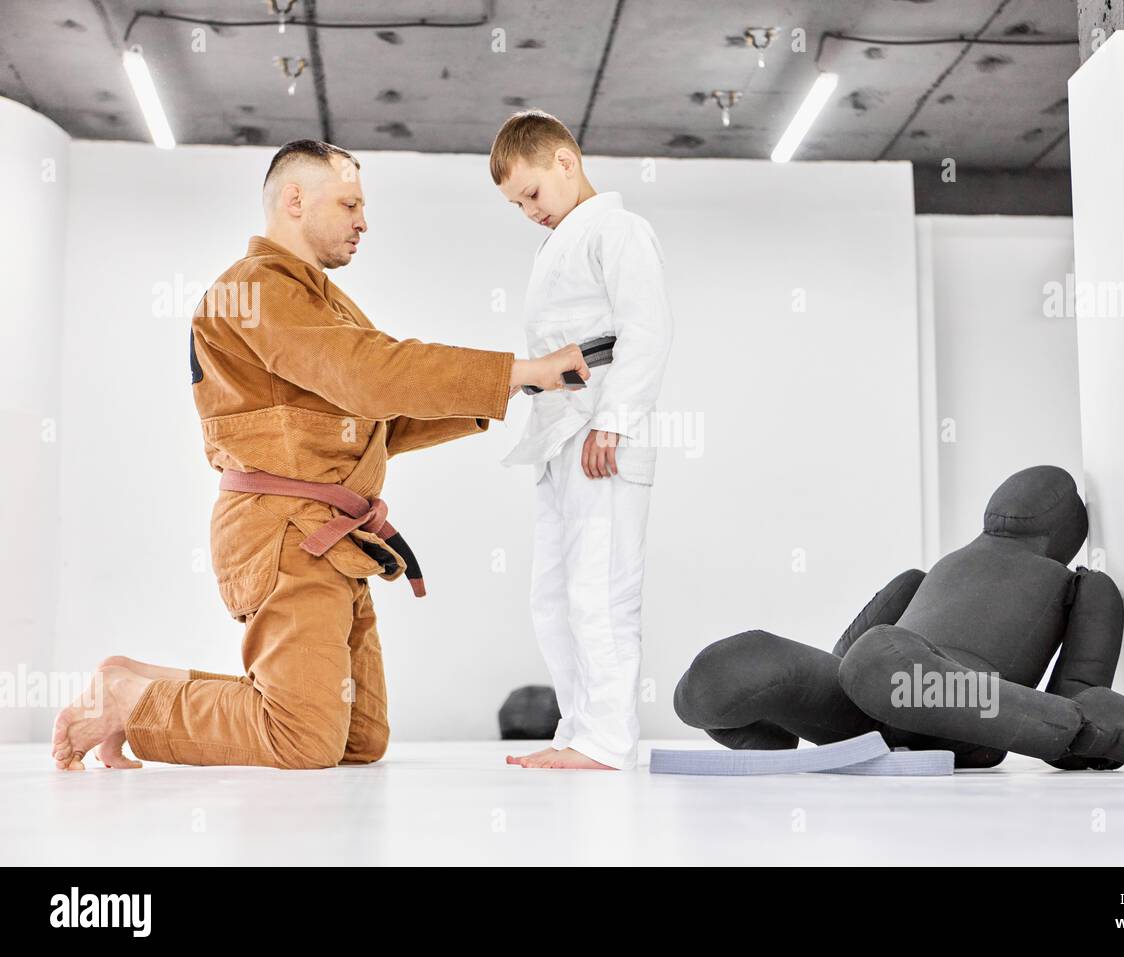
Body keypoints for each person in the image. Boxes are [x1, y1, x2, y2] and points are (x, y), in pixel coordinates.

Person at [51, 139, 589, 771]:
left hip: (331, 540)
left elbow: (377, 414)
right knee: (301, 739)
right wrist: (516, 369)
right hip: (282, 533)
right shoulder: (252, 289)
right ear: (295, 199)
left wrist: (517, 385)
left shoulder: (318, 300)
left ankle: (136, 681)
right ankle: (128, 702)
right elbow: (369, 374)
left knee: (359, 742)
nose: (364, 221)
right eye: (351, 203)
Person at [491, 111, 673, 770]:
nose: (529, 212)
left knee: (601, 588)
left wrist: (617, 418)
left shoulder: (620, 229)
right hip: (557, 431)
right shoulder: (559, 242)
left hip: (603, 428)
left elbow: (647, 329)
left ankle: (608, 738)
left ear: (566, 161)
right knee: (552, 593)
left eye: (532, 194)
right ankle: (576, 728)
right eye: (516, 205)